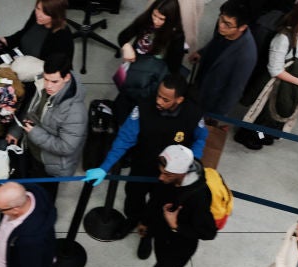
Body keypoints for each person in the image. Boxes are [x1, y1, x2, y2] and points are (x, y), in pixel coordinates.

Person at [84, 73, 207, 249]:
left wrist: (190, 162)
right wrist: (104, 167)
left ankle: (148, 234)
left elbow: (200, 138)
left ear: (179, 100)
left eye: (165, 99)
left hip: (171, 174)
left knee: (161, 205)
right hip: (143, 164)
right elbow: (124, 139)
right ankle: (132, 221)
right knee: (133, 198)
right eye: (158, 95)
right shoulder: (142, 108)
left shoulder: (193, 114)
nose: (159, 101)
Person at [109, 145, 216, 267]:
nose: (161, 177)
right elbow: (156, 200)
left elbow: (209, 232)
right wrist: (146, 223)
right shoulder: (170, 179)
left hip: (179, 248)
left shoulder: (198, 195)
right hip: (162, 236)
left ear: (182, 173)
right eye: (161, 172)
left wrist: (176, 226)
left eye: (166, 174)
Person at [234, 0, 298, 151]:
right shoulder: (282, 38)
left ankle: (264, 135)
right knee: (264, 114)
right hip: (276, 83)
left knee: (277, 113)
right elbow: (275, 70)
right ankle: (250, 136)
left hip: (291, 79)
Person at [6, 52, 87, 202]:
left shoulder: (75, 112)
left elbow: (66, 147)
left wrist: (34, 133)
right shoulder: (41, 86)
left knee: (43, 200)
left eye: (54, 81)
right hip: (32, 152)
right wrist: (16, 131)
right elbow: (31, 110)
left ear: (67, 77)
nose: (48, 86)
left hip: (49, 165)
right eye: (46, 79)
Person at [113, 0, 186, 121]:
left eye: (161, 19)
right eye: (154, 15)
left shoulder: (176, 36)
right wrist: (126, 46)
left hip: (151, 79)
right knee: (123, 102)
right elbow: (123, 36)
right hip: (133, 69)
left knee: (140, 107)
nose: (155, 21)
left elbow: (173, 68)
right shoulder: (145, 20)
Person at [191, 0, 257, 121]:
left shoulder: (246, 55)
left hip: (210, 102)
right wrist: (201, 53)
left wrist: (216, 116)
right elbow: (214, 43)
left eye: (227, 24)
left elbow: (234, 91)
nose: (221, 25)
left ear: (242, 27)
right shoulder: (223, 29)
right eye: (220, 19)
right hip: (200, 86)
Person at [0, 0, 74, 61]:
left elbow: (59, 66)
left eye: (46, 13)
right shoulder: (36, 16)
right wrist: (7, 40)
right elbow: (24, 33)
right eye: (38, 8)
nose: (39, 15)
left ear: (56, 14)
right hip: (20, 56)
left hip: (39, 68)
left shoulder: (63, 35)